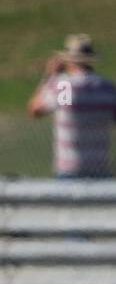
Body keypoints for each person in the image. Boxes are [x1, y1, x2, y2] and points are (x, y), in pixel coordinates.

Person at [29, 34, 116, 178]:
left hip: (70, 169)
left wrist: (49, 76)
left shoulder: (65, 87)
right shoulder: (106, 88)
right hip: (101, 168)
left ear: (68, 61)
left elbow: (35, 110)